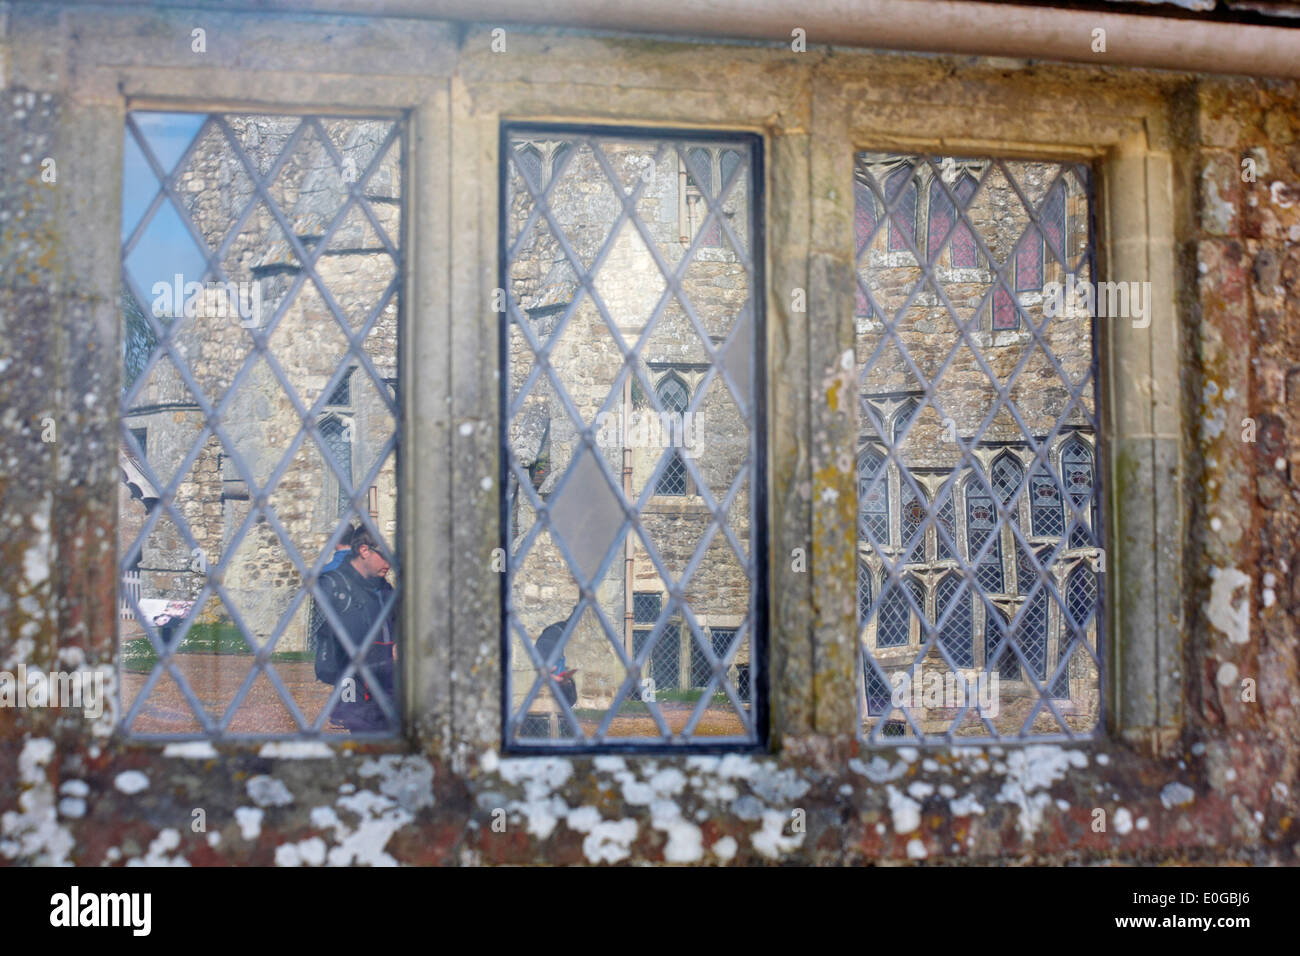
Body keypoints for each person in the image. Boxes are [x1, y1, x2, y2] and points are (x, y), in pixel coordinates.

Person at [316, 525, 396, 732]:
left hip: (386, 687)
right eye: (385, 556)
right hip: (358, 688)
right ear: (364, 551)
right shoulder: (335, 585)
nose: (390, 564)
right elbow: (348, 647)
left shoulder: (384, 587)